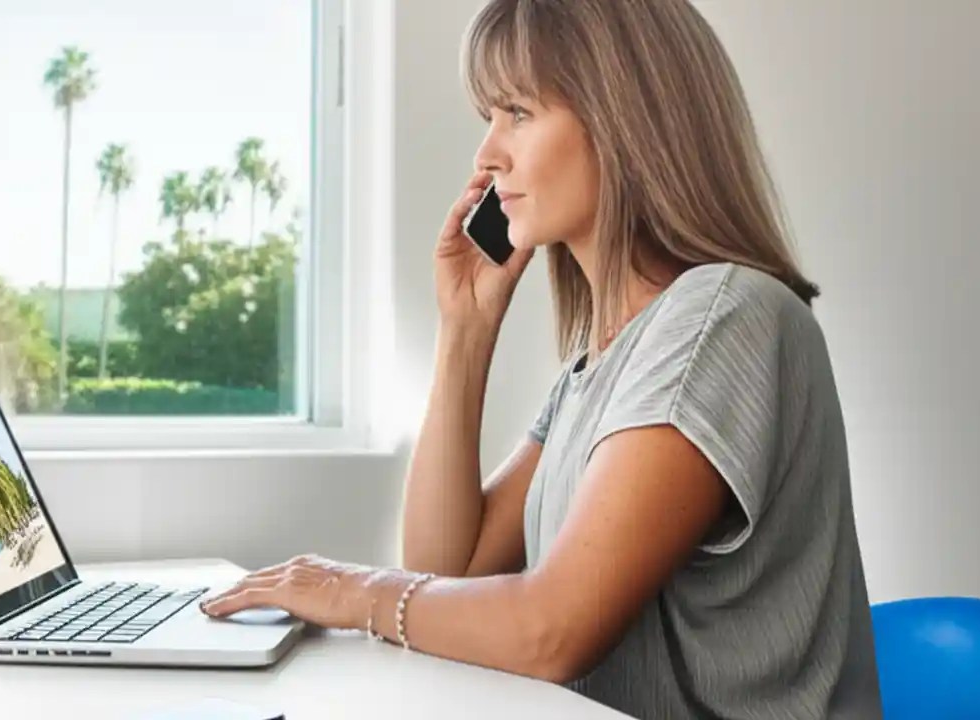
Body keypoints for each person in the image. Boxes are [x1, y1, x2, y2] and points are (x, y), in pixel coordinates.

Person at [201, 0, 883, 716]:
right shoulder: (604, 364)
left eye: (518, 112)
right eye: (487, 117)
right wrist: (465, 332)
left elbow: (551, 631)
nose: (488, 153)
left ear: (626, 120)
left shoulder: (724, 316)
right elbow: (445, 573)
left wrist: (348, 591)